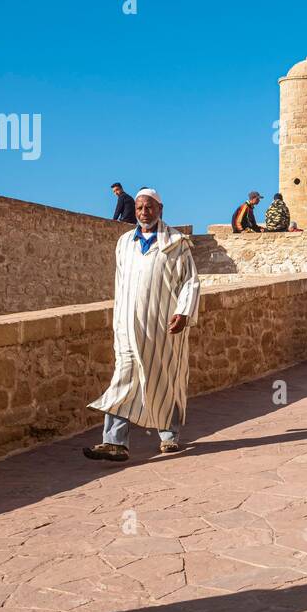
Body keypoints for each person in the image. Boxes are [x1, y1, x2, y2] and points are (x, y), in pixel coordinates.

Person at [84, 188, 200, 461]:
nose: (143, 213)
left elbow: (191, 282)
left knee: (165, 378)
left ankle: (169, 436)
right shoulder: (124, 243)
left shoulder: (176, 244)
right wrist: (118, 319)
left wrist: (183, 313)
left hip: (162, 326)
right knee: (123, 379)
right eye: (139, 208)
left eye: (148, 208)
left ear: (160, 209)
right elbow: (121, 283)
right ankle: (114, 442)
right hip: (128, 325)